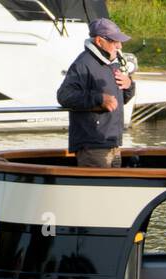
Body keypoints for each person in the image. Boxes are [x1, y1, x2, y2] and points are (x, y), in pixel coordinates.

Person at [57, 18, 135, 168]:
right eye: (114, 41)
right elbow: (64, 95)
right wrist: (99, 99)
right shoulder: (83, 64)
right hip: (93, 147)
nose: (119, 46)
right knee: (100, 189)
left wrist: (129, 84)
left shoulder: (114, 63)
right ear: (99, 41)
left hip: (113, 143)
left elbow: (123, 98)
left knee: (112, 190)